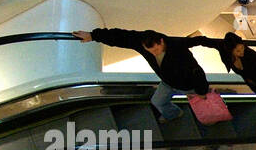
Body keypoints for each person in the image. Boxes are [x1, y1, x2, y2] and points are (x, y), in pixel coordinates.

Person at [74, 27, 211, 122]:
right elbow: (120, 36)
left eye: (157, 49)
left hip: (189, 85)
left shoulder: (178, 48)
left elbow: (197, 71)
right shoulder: (141, 42)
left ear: (162, 41)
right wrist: (93, 35)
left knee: (204, 104)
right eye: (150, 51)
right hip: (168, 83)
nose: (154, 53)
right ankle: (174, 114)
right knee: (157, 101)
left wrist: (202, 91)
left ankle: (212, 117)